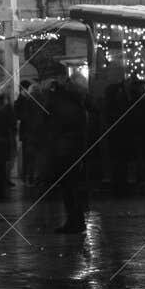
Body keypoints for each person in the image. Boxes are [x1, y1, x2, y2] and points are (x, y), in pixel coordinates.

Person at [43, 68, 92, 233]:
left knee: (70, 188)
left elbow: (55, 119)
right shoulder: (78, 102)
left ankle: (75, 221)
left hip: (67, 149)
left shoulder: (68, 103)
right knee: (72, 187)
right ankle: (75, 220)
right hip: (73, 148)